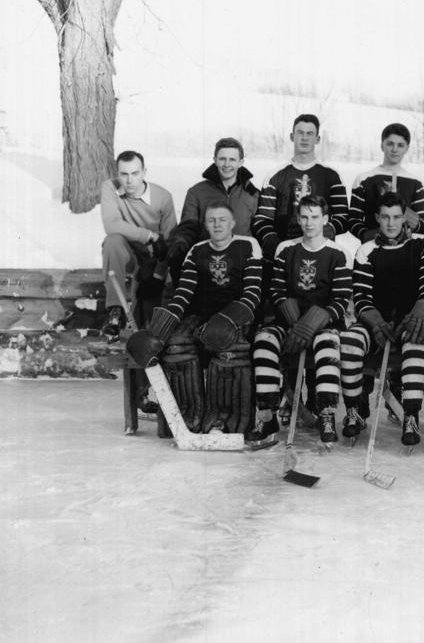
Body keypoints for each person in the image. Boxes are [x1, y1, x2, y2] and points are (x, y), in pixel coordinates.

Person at [125, 203, 263, 438]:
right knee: (176, 344)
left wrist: (227, 320)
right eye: (211, 220)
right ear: (206, 225)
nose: (217, 224)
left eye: (222, 219)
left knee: (231, 348)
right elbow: (183, 295)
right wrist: (157, 331)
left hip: (238, 315)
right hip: (201, 315)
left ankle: (224, 421)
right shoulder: (196, 251)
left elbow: (252, 294)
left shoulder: (248, 245)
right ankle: (186, 418)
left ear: (232, 223)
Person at [250, 195, 353, 445]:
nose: (309, 223)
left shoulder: (339, 253)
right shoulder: (286, 249)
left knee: (328, 346)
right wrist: (295, 321)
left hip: (324, 324)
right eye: (304, 217)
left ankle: (326, 415)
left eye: (314, 217)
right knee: (264, 340)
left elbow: (341, 299)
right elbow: (276, 290)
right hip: (290, 321)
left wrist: (311, 324)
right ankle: (267, 416)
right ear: (298, 219)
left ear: (325, 219)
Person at [341, 192, 424, 446]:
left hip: (410, 320)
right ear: (377, 218)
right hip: (377, 322)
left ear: (405, 217)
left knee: (415, 343)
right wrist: (376, 322)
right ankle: (354, 410)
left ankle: (411, 415)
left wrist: (419, 312)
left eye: (396, 217)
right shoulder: (366, 250)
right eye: (385, 217)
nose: (391, 223)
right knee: (350, 341)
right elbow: (361, 297)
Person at [100, 150, 176, 337]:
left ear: (144, 172)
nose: (129, 180)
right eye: (124, 174)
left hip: (153, 258)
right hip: (126, 254)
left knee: (149, 313)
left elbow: (171, 242)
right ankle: (115, 311)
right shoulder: (110, 188)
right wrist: (149, 235)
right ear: (117, 174)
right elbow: (111, 225)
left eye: (135, 173)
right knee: (112, 241)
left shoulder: (163, 197)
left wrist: (159, 274)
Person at [251, 114, 349, 259]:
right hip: (282, 253)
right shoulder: (275, 176)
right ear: (292, 136)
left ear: (317, 139)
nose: (304, 138)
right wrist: (274, 243)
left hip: (320, 254)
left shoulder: (332, 176)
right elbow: (262, 219)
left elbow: (343, 217)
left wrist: (323, 231)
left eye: (310, 133)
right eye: (300, 133)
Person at [166, 137, 259, 285]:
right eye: (222, 159)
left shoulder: (252, 194)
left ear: (241, 162)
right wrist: (180, 243)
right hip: (208, 259)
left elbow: (258, 228)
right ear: (214, 160)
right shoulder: (197, 192)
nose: (227, 164)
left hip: (242, 259)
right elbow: (188, 226)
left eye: (232, 159)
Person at [345, 123, 424, 244]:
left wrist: (401, 209)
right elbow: (353, 220)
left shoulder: (416, 183)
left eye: (400, 145)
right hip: (373, 248)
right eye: (390, 144)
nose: (394, 149)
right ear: (382, 146)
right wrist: (369, 236)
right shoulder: (364, 179)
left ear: (407, 148)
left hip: (406, 248)